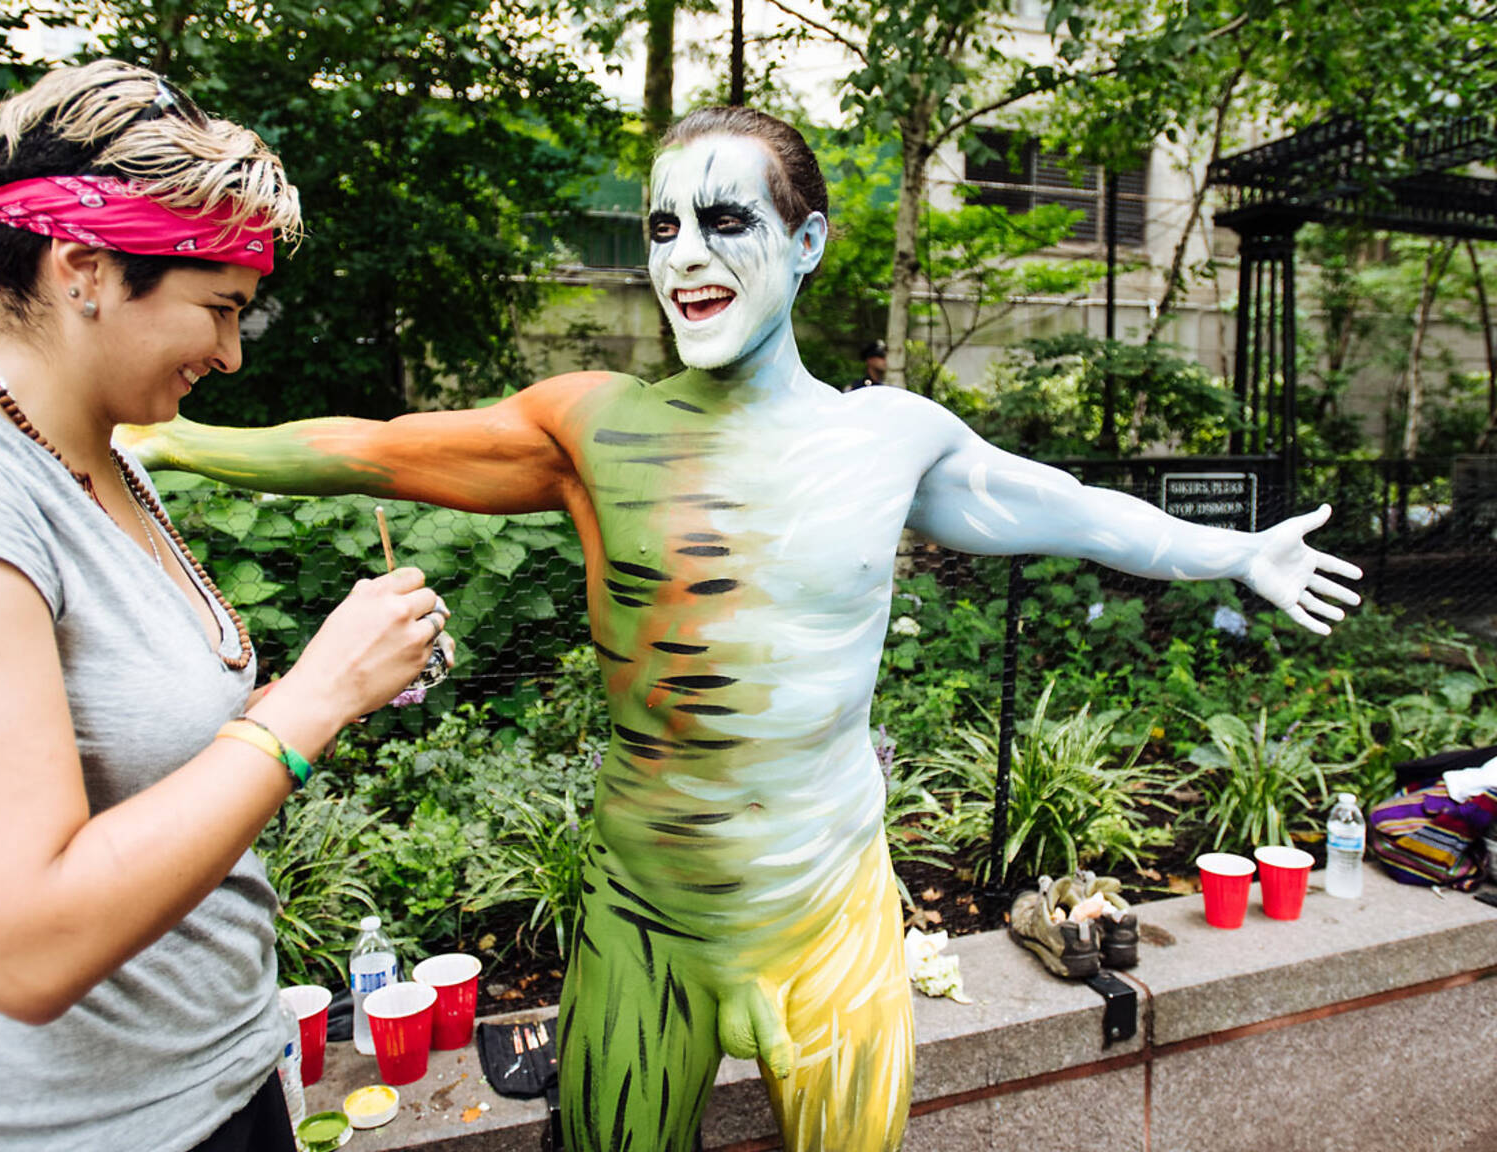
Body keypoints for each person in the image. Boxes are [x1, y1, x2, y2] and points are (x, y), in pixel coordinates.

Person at [124, 106, 1362, 1151]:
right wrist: (170, 440)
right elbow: (374, 450)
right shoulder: (594, 424)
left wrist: (1236, 551)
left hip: (830, 915)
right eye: (663, 227)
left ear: (807, 242)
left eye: (726, 221)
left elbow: (1077, 510)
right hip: (643, 918)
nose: (687, 257)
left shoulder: (890, 437)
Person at [0, 61, 450, 1151]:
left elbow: (157, 769)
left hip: (216, 1082)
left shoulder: (106, 460)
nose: (230, 355)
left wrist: (340, 677)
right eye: (218, 310)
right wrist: (315, 698)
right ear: (85, 269)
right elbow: (23, 947)